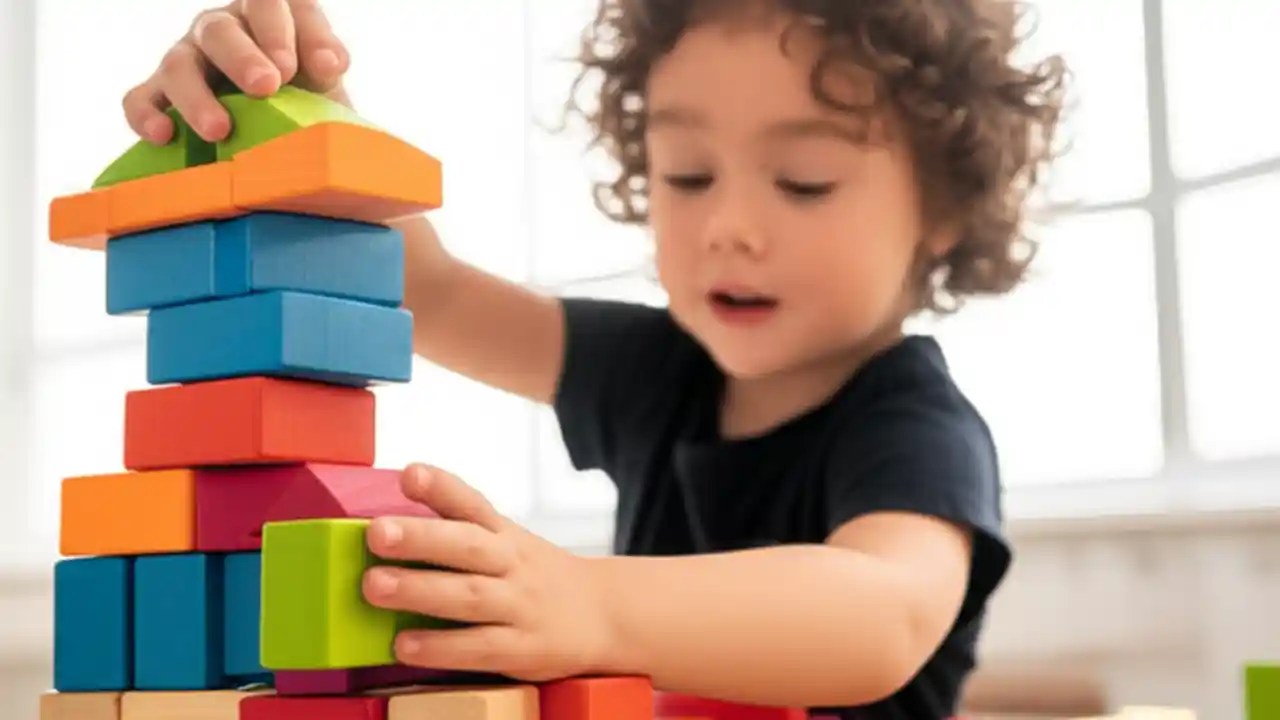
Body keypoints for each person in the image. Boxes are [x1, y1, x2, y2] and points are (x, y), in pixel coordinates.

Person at [119, 1, 1067, 717]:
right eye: (687, 175)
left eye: (804, 183)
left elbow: (883, 615)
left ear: (943, 207)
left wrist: (588, 602)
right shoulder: (654, 370)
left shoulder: (913, 421)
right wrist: (297, 122)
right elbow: (435, 291)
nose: (729, 227)